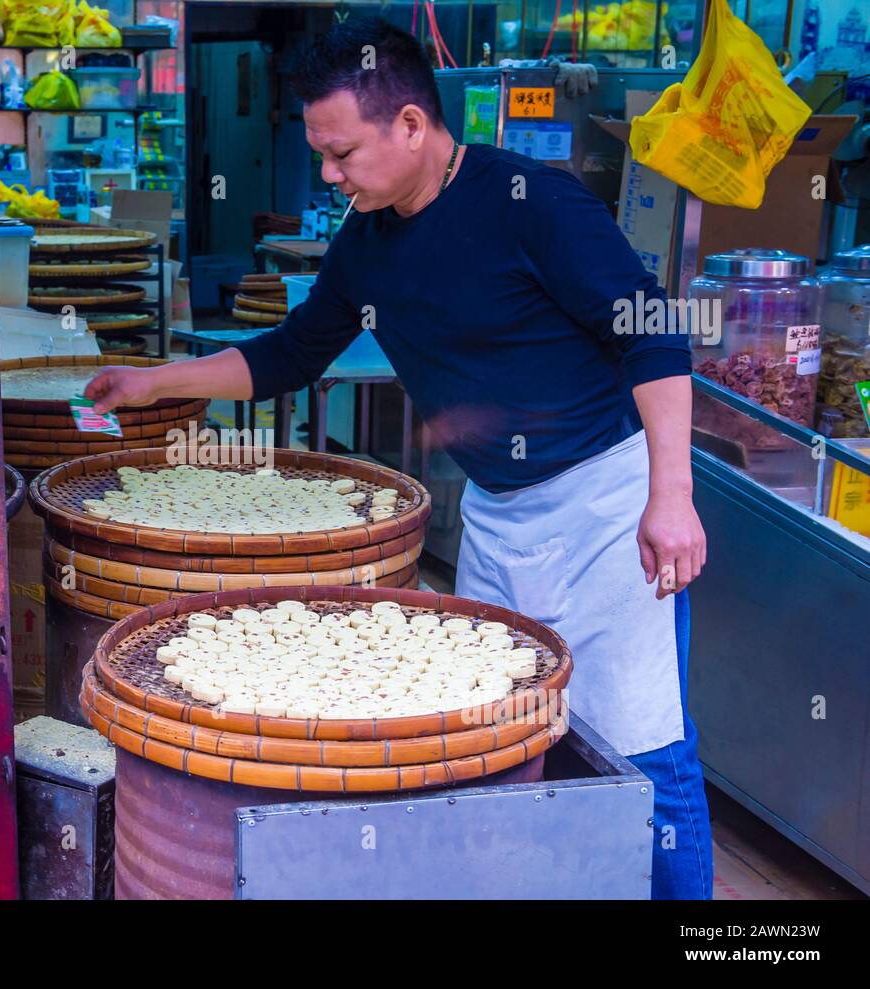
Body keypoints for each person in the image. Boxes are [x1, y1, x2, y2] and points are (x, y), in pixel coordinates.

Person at [85, 17, 713, 899]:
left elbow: (656, 338)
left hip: (611, 511)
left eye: (342, 154)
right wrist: (155, 382)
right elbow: (291, 354)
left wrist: (672, 497)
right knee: (503, 739)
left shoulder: (532, 203)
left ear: (412, 124)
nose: (330, 176)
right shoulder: (368, 240)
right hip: (499, 514)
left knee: (646, 751)